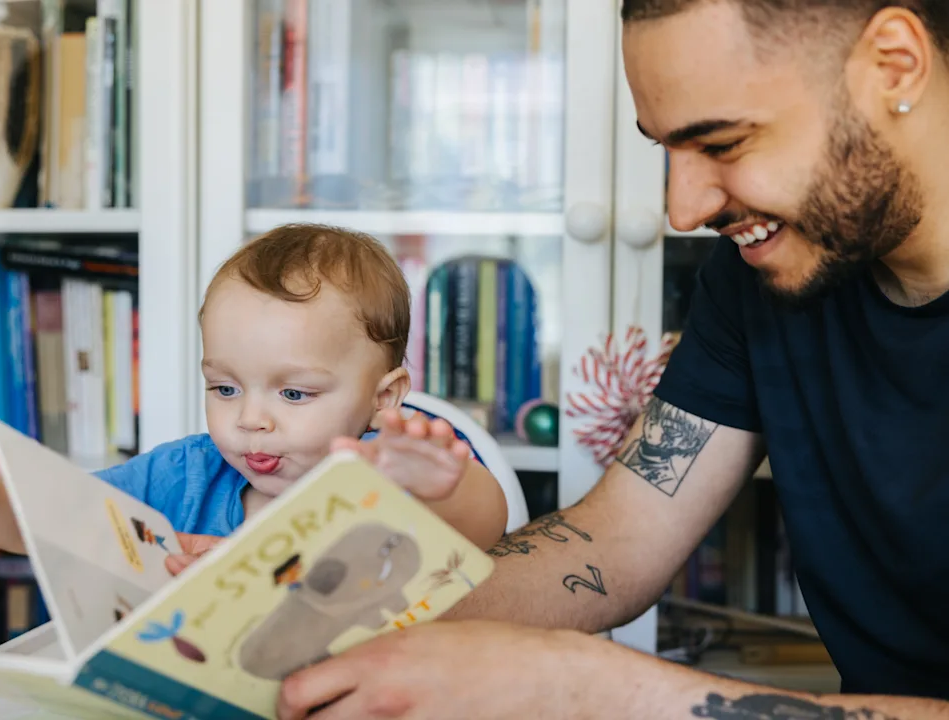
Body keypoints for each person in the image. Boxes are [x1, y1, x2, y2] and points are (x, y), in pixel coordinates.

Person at [273, 2, 949, 718]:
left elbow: (586, 678)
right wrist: (350, 610)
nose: (682, 210)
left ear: (894, 65)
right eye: (666, 151)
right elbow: (616, 540)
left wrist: (575, 684)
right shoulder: (755, 279)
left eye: (721, 144)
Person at [0, 223, 508, 576]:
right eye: (224, 387)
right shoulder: (183, 475)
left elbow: (487, 522)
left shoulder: (385, 472)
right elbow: (64, 520)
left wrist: (436, 489)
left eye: (293, 392)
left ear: (385, 397)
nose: (250, 419)